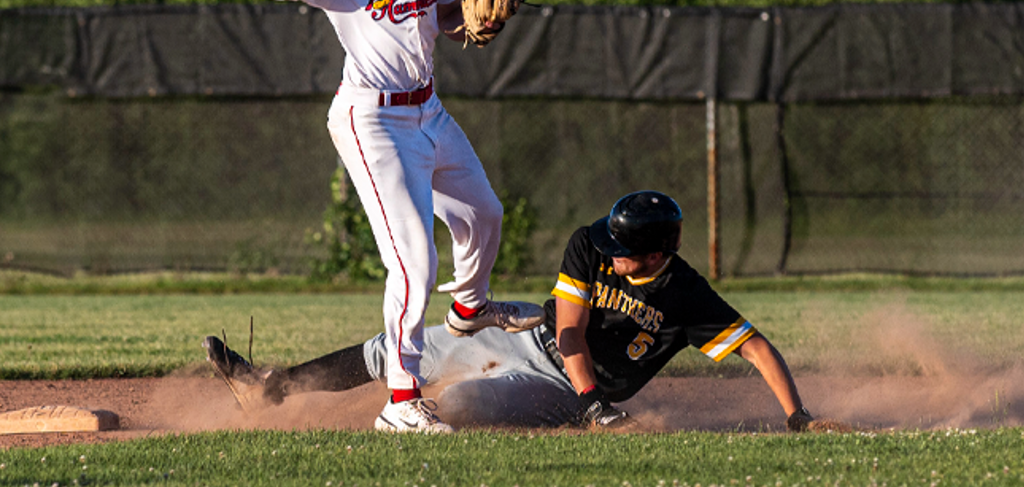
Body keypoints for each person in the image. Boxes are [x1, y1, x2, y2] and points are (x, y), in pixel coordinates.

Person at [220, 0, 544, 433]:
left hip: (429, 111)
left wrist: (478, 23)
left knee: (485, 214)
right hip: (372, 122)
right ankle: (400, 402)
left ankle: (471, 310)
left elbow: (446, 20)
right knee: (414, 261)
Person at [204, 191, 816, 433]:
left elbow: (757, 347)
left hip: (559, 389)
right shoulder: (589, 243)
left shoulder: (686, 295)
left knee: (467, 404)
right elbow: (570, 329)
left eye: (623, 251)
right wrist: (598, 401)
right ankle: (271, 389)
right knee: (396, 349)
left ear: (657, 253)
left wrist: (799, 418)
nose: (608, 251)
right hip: (541, 339)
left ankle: (426, 412)